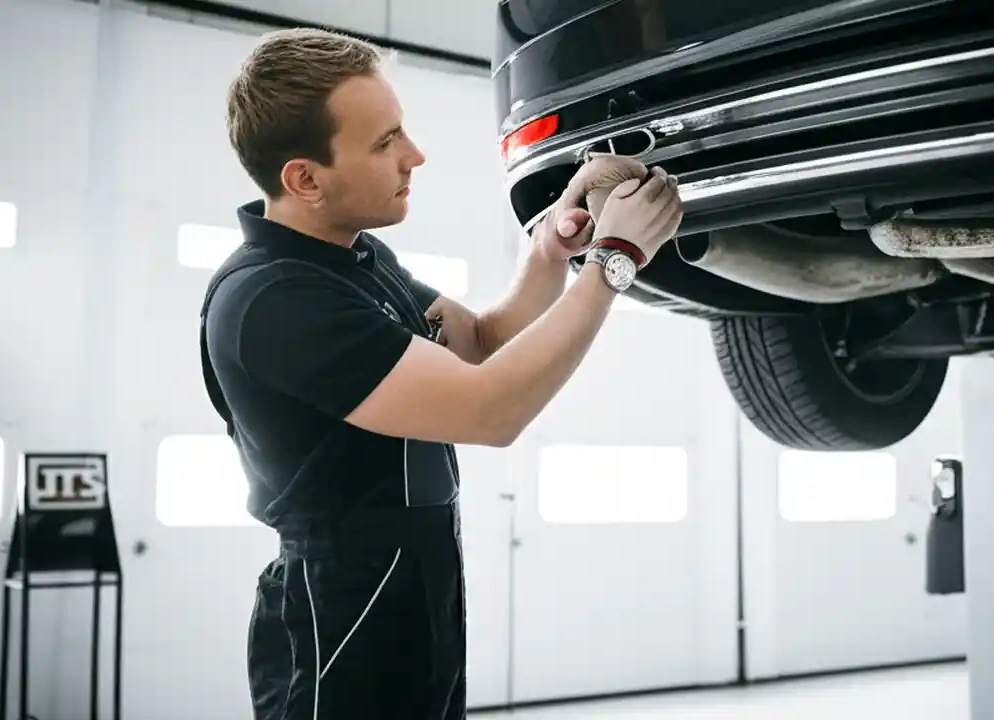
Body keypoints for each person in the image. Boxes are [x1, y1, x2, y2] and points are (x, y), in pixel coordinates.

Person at [199, 27, 683, 720]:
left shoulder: (354, 262)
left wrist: (552, 246)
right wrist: (613, 262)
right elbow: (490, 412)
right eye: (385, 141)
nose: (414, 156)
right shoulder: (276, 301)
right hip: (341, 617)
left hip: (414, 592)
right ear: (305, 179)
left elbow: (480, 342)